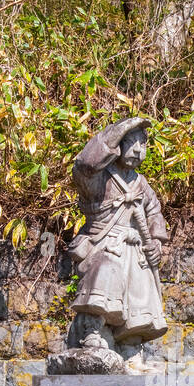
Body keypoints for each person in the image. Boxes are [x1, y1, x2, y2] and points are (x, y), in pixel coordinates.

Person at [66, 116, 168, 364]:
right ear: (119, 145)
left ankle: (130, 344)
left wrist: (156, 244)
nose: (137, 150)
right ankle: (93, 333)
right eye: (131, 143)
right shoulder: (99, 179)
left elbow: (154, 213)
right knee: (104, 278)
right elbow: (84, 165)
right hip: (105, 245)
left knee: (138, 296)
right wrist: (118, 130)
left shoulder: (141, 183)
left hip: (135, 249)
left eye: (143, 145)